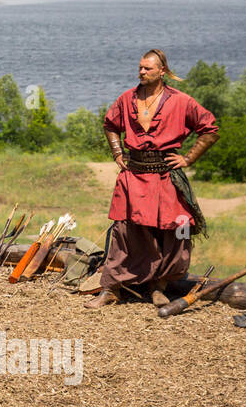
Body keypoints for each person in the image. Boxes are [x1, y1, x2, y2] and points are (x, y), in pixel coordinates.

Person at [87, 49, 218, 309]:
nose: (141, 72)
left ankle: (159, 287)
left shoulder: (181, 101)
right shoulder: (127, 99)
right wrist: (117, 152)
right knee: (124, 232)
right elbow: (110, 125)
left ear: (162, 71)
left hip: (166, 176)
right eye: (140, 68)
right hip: (133, 175)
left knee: (172, 232)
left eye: (147, 68)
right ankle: (111, 288)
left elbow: (209, 129)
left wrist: (188, 158)